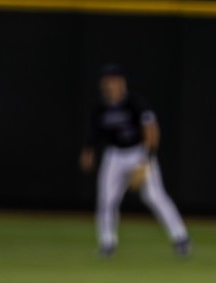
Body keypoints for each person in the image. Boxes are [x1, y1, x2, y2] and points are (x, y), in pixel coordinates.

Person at [79, 64, 190, 257]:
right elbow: (94, 132)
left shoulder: (135, 102)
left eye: (112, 80)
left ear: (121, 82)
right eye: (106, 81)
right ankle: (107, 242)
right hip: (115, 154)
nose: (108, 85)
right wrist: (88, 150)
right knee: (107, 198)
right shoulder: (100, 106)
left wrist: (145, 161)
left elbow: (152, 129)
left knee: (154, 196)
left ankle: (181, 238)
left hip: (139, 152)